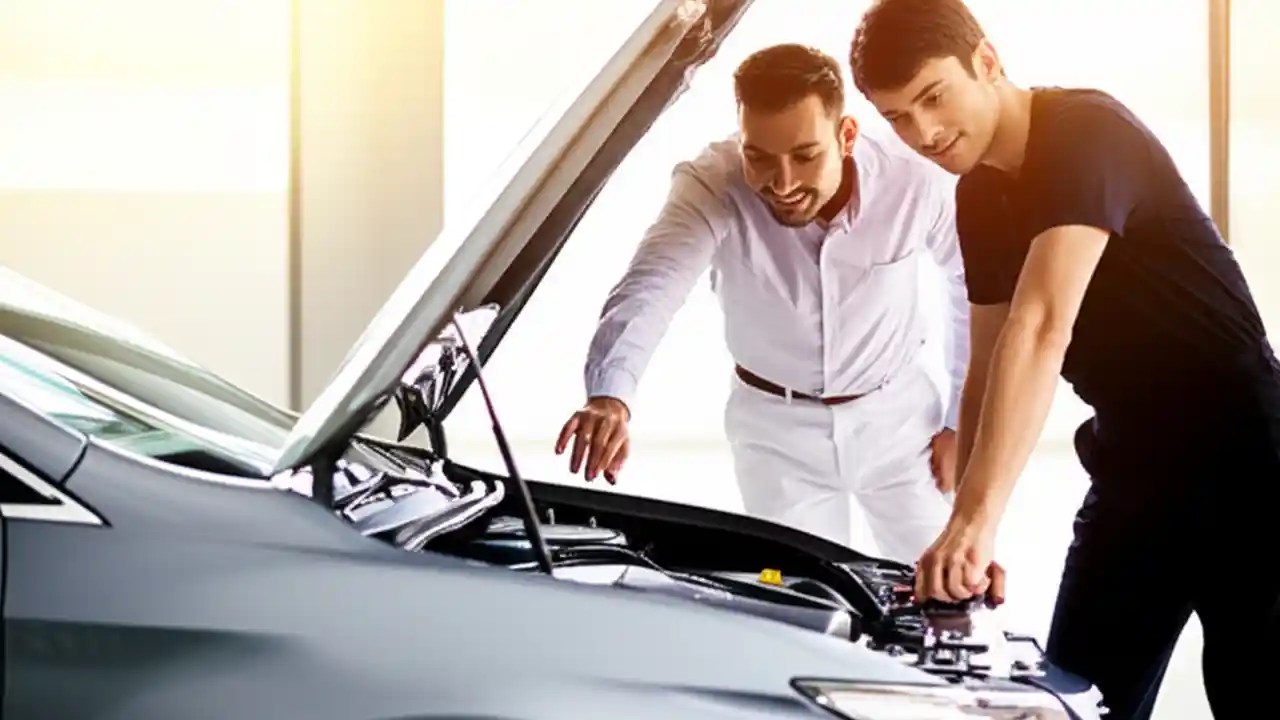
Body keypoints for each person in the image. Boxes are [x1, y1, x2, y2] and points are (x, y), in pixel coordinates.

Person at [848, 1, 1280, 717]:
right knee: (1075, 695)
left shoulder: (1086, 130)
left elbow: (1042, 323)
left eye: (932, 97)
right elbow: (985, 366)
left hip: (1249, 461)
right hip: (1134, 462)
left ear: (986, 62)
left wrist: (980, 521)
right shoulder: (977, 196)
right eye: (897, 117)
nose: (921, 132)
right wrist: (966, 530)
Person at [552, 43, 970, 565]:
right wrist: (610, 395)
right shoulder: (712, 183)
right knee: (796, 603)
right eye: (760, 158)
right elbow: (654, 282)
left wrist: (961, 418)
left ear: (846, 136)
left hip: (902, 423)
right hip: (776, 436)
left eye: (805, 155)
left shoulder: (915, 179)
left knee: (949, 588)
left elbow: (969, 288)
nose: (784, 182)